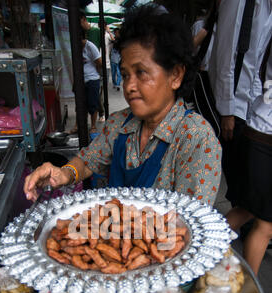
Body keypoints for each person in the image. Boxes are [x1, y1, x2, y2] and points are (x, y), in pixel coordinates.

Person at [24, 4, 221, 205]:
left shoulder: (197, 139)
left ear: (176, 75)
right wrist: (64, 174)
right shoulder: (119, 123)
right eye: (126, 75)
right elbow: (88, 160)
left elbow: (189, 222)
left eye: (141, 73)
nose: (129, 86)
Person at [208, 0, 272, 206]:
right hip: (233, 107)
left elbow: (259, 61)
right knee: (240, 185)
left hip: (253, 106)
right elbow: (226, 54)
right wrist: (228, 110)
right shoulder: (240, 2)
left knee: (250, 187)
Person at [226, 42, 272, 282]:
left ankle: (201, 255)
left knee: (248, 210)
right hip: (265, 136)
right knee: (265, 224)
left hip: (258, 129)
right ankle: (249, 288)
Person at [71, 31, 102, 133]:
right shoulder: (75, 47)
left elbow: (99, 62)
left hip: (92, 80)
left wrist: (94, 73)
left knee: (93, 104)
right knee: (79, 105)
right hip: (80, 80)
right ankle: (78, 125)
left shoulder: (90, 47)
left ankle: (93, 126)